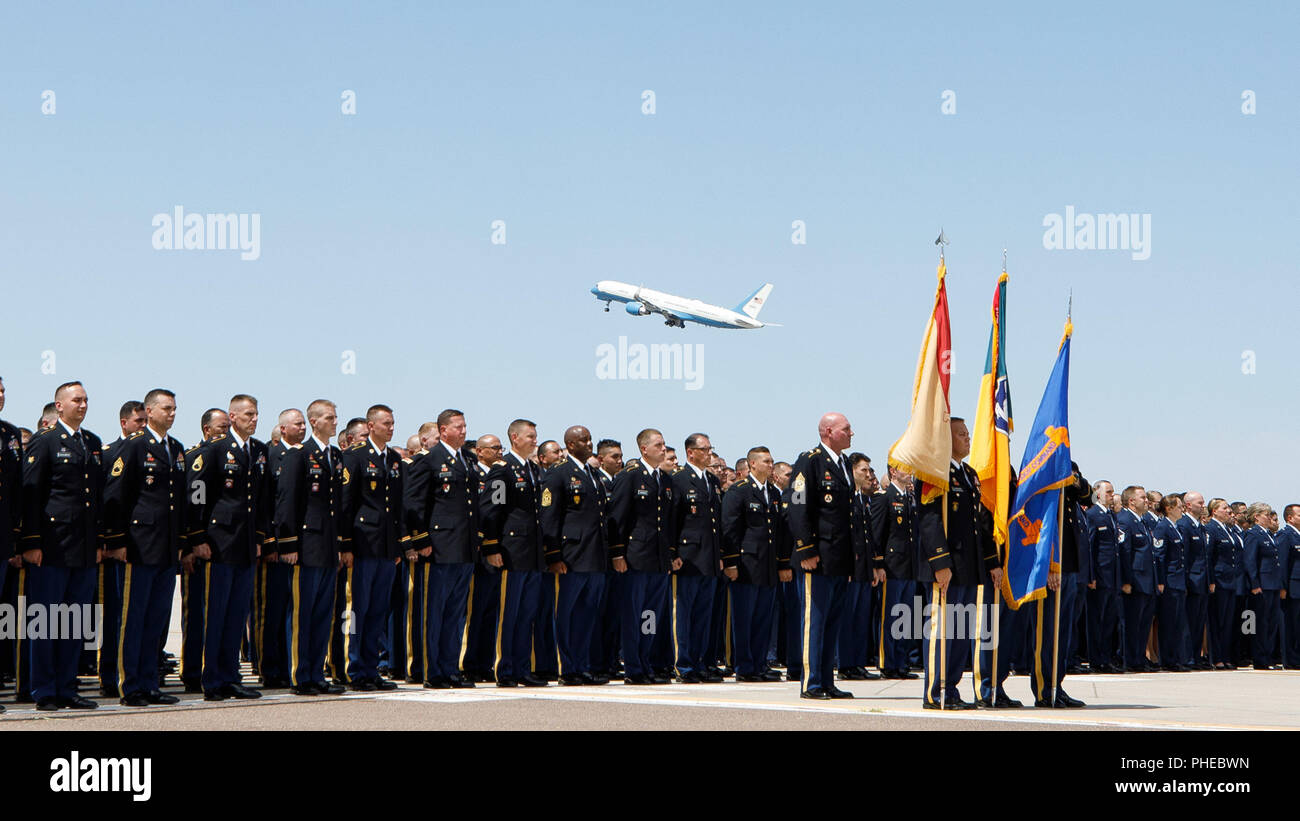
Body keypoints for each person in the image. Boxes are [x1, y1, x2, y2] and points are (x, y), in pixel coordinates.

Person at [20, 381, 103, 710]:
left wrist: (97, 543)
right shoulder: (46, 441)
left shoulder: (91, 443)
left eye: (85, 400)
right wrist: (31, 541)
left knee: (75, 622)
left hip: (82, 549)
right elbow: (31, 495)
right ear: (59, 405)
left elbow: (94, 498)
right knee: (46, 621)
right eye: (76, 400)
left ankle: (67, 688)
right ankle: (44, 690)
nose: (82, 405)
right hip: (52, 547)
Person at [101, 388, 184, 706]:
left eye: (175, 408)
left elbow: (179, 503)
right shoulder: (134, 447)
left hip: (166, 548)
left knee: (157, 618)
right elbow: (115, 497)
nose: (172, 413)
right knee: (132, 618)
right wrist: (118, 541)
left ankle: (150, 682)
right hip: (139, 546)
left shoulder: (175, 449)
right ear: (149, 412)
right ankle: (129, 684)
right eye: (166, 408)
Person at [185, 394, 271, 701]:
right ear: (232, 417)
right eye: (248, 414)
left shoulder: (259, 451)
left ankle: (231, 677)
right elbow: (196, 494)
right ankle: (212, 679)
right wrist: (197, 537)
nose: (255, 419)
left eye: (257, 414)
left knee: (236, 616)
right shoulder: (214, 450)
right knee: (215, 616)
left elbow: (262, 500)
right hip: (218, 545)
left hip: (246, 545)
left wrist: (259, 538)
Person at [275, 400, 346, 696]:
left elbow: (337, 505)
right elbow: (287, 501)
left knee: (322, 615)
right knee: (302, 614)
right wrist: (288, 542)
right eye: (329, 418)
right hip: (305, 545)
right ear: (314, 421)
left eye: (335, 417)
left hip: (328, 546)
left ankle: (317, 673)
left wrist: (340, 545)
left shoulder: (334, 455)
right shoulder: (299, 455)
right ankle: (299, 675)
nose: (335, 422)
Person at [404, 409, 479, 689]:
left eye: (465, 425)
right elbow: (413, 504)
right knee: (432, 613)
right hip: (438, 548)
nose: (463, 431)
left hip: (464, 548)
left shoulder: (467, 460)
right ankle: (430, 670)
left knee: (455, 613)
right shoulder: (429, 460)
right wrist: (421, 540)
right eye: (458, 426)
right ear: (443, 430)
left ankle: (450, 668)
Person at [786, 413, 859, 701]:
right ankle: (811, 683)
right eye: (846, 429)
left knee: (831, 623)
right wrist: (805, 549)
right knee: (813, 622)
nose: (852, 433)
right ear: (829, 431)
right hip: (816, 558)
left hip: (839, 559)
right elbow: (797, 505)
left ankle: (827, 680)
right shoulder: (811, 460)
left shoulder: (843, 464)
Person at [336, 405, 404, 691]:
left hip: (386, 546)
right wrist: (346, 544)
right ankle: (352, 669)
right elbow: (345, 504)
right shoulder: (354, 456)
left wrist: (398, 544)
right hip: (362, 544)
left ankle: (370, 668)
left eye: (393, 422)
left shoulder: (394, 458)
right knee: (355, 610)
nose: (391, 427)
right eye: (386, 423)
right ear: (371, 425)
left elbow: (397, 506)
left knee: (377, 610)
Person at [540, 425, 613, 685]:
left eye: (590, 439)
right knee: (566, 615)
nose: (589, 443)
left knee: (587, 615)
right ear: (570, 445)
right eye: (583, 440)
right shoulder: (557, 474)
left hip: (594, 557)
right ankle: (566, 667)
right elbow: (549, 517)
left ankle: (582, 666)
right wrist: (554, 555)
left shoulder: (592, 473)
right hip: (570, 557)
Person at [479, 419, 548, 687]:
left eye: (536, 435)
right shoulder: (503, 469)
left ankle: (522, 668)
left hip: (531, 553)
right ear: (515, 438)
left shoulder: (532, 469)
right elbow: (490, 511)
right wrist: (492, 546)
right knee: (509, 614)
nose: (535, 440)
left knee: (526, 614)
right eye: (530, 436)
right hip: (511, 552)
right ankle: (505, 669)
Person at [608, 428, 675, 685]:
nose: (664, 449)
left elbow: (666, 523)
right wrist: (617, 553)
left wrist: (669, 556)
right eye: (659, 445)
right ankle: (633, 667)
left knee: (651, 616)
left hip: (657, 560)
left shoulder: (665, 480)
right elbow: (617, 517)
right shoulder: (631, 477)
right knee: (633, 614)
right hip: (635, 558)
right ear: (644, 449)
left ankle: (646, 662)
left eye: (664, 444)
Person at [721, 446, 788, 682]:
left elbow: (779, 532)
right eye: (766, 462)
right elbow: (729, 529)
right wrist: (730, 562)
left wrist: (782, 564)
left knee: (762, 619)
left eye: (771, 461)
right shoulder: (739, 491)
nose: (771, 465)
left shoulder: (774, 493)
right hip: (746, 565)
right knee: (743, 619)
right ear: (752, 465)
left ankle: (760, 664)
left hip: (768, 565)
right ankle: (745, 666)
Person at [666, 432, 724, 684]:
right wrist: (673, 553)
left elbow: (716, 522)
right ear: (691, 452)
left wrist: (720, 555)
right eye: (705, 449)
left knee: (703, 615)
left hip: (708, 558)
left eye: (711, 448)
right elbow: (671, 520)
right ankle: (684, 665)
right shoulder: (678, 479)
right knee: (684, 614)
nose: (709, 453)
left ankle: (700, 663)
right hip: (687, 557)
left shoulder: (711, 480)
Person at [258, 408, 305, 688]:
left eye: (303, 424)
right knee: (272, 612)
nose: (302, 428)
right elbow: (267, 504)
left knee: (293, 611)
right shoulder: (269, 458)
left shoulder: (305, 456)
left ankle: (289, 666)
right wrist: (271, 543)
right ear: (282, 429)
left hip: (301, 546)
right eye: (297, 424)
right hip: (276, 547)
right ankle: (270, 668)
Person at [462, 433, 505, 683]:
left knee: (490, 612)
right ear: (480, 451)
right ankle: (467, 663)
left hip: (499, 552)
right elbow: (482, 514)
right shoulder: (473, 475)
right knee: (473, 611)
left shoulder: (499, 475)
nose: (499, 452)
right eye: (494, 448)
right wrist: (487, 545)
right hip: (480, 551)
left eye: (501, 448)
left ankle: (484, 662)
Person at [870, 466, 918, 680]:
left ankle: (901, 662)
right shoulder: (884, 497)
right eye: (906, 467)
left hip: (909, 566)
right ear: (893, 471)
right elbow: (877, 533)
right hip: (891, 566)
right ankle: (887, 662)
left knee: (904, 617)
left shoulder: (909, 497)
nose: (910, 471)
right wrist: (878, 564)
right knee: (890, 616)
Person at [837, 453, 879, 681]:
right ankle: (845, 663)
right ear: (852, 471)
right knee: (848, 618)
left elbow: (867, 537)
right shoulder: (847, 497)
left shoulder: (863, 499)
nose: (868, 474)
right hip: (851, 568)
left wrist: (873, 565)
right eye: (863, 470)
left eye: (869, 470)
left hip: (863, 568)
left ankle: (857, 663)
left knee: (861, 618)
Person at [1118, 486, 1159, 672]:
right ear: (1131, 501)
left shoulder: (1142, 522)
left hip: (1147, 581)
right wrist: (1126, 581)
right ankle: (1130, 660)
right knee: (1132, 624)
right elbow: (1125, 553)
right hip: (1135, 581)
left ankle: (1139, 659)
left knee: (1143, 624)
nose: (1147, 500)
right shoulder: (1125, 521)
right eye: (1142, 497)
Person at [1085, 481, 1123, 672]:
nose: (1111, 495)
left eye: (1112, 492)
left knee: (1109, 620)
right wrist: (1091, 575)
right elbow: (1090, 548)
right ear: (1097, 494)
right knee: (1096, 620)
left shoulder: (1111, 516)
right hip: (1099, 577)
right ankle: (1096, 659)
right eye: (1108, 492)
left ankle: (1106, 658)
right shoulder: (1092, 515)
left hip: (1112, 577)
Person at [1242, 502, 1284, 670]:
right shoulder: (1253, 534)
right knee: (1261, 623)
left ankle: (1269, 656)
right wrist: (1254, 583)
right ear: (1256, 516)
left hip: (1273, 584)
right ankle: (1260, 658)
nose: (1269, 517)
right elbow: (1250, 561)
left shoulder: (1268, 534)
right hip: (1262, 585)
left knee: (1272, 622)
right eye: (1266, 514)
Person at [1151, 494, 1189, 671]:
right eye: (1180, 506)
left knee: (1177, 622)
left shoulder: (1176, 528)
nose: (1182, 510)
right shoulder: (1162, 527)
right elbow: (1159, 556)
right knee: (1168, 622)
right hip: (1169, 581)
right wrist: (1160, 581)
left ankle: (1176, 658)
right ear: (1169, 508)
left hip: (1179, 581)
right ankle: (1167, 659)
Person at [1204, 498, 1241, 668]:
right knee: (1217, 621)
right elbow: (1209, 557)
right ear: (1214, 511)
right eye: (1224, 508)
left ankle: (1225, 656)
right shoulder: (1211, 528)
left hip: (1230, 581)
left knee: (1227, 622)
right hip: (1218, 581)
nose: (1228, 511)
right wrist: (1211, 581)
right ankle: (1217, 657)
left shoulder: (1227, 529)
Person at [1179, 492, 1212, 669]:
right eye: (1200, 502)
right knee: (1189, 622)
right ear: (1189, 505)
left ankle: (1196, 657)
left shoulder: (1200, 526)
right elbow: (1184, 556)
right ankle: (1187, 658)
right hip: (1192, 580)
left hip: (1202, 581)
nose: (1203, 505)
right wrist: (1185, 581)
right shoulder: (1184, 525)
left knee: (1199, 622)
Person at [1276, 504, 1300, 669]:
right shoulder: (1286, 535)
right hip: (1292, 587)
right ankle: (1290, 659)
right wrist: (1282, 587)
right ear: (1290, 518)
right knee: (1290, 623)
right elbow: (1283, 564)